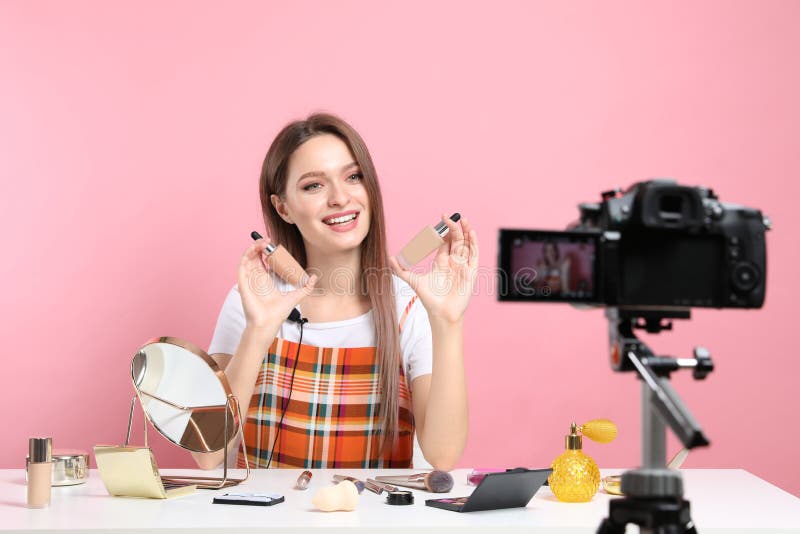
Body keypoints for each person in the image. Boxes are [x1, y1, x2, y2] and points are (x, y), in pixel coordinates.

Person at [193, 113, 478, 470]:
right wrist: (258, 332)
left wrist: (449, 321)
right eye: (314, 186)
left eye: (353, 177)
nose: (340, 198)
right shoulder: (252, 301)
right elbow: (207, 454)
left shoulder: (406, 307)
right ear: (283, 208)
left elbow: (443, 455)